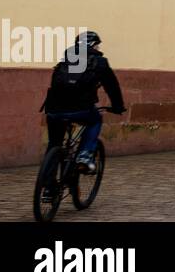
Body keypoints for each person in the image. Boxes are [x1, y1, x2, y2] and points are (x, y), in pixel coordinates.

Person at [42, 31, 126, 174]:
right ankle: (84, 155)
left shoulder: (64, 60)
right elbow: (112, 87)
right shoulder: (100, 62)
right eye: (97, 46)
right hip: (81, 109)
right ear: (93, 45)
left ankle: (48, 190)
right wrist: (118, 106)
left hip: (54, 109)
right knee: (95, 120)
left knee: (54, 144)